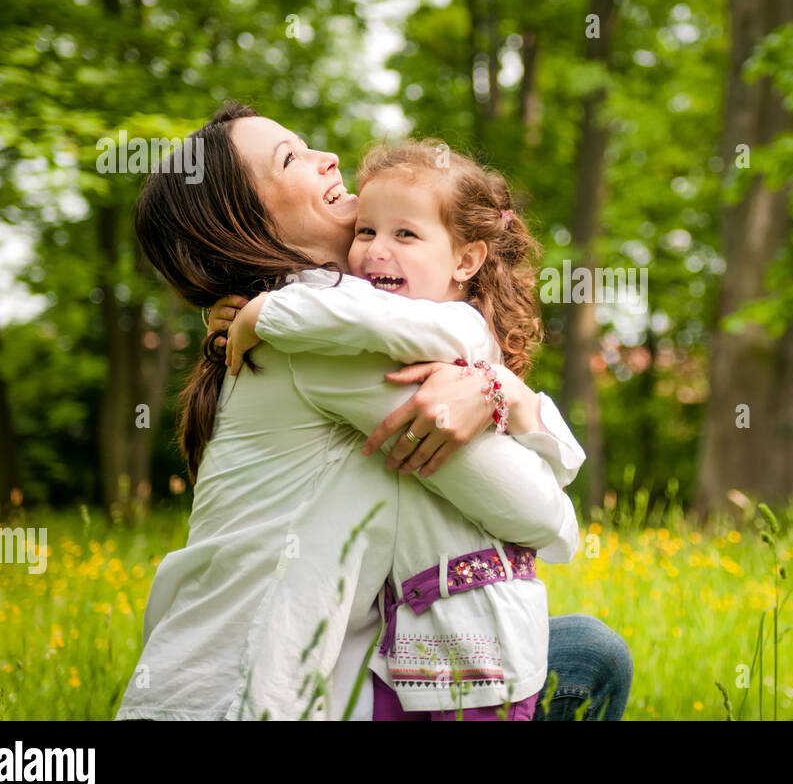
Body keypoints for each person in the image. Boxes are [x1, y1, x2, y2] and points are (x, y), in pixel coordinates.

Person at [118, 101, 630, 721]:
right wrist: (498, 389)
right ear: (245, 224)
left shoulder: (299, 321)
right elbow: (547, 521)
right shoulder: (322, 344)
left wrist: (500, 389)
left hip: (306, 675)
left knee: (581, 649)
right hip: (238, 702)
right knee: (592, 654)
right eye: (290, 160)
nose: (326, 158)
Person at [221, 138, 570, 719]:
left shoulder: (443, 328)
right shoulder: (361, 332)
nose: (374, 251)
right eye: (366, 232)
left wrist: (267, 310)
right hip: (406, 640)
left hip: (482, 644)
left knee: (590, 654)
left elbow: (548, 514)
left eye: (404, 235)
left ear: (466, 261)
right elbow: (354, 310)